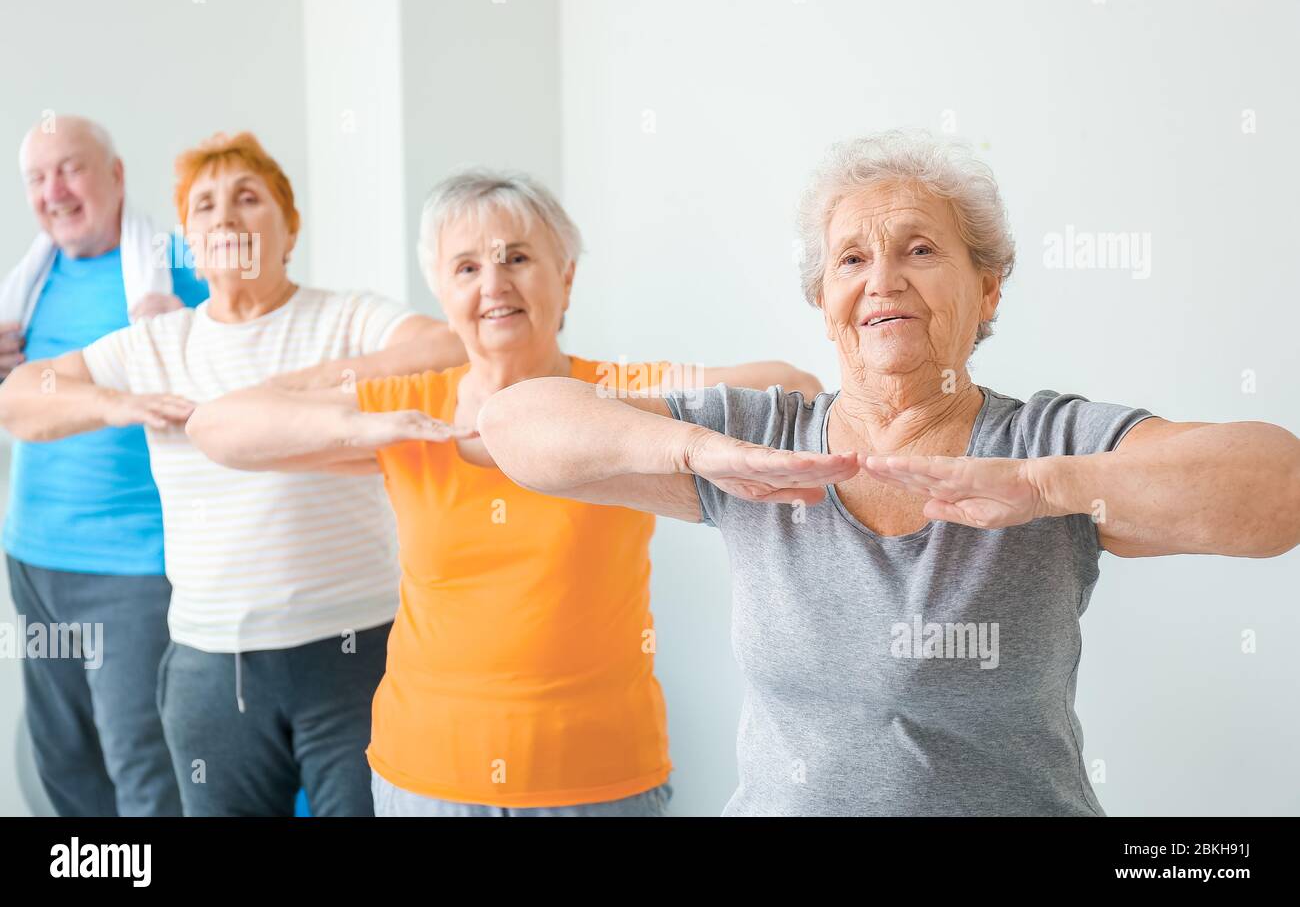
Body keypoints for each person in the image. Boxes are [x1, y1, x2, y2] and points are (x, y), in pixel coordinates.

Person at [476, 130, 1300, 816]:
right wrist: (695, 449)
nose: (882, 281)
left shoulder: (1050, 439)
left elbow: (1279, 490)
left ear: (987, 291)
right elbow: (515, 424)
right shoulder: (762, 439)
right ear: (825, 302)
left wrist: (1050, 487)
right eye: (851, 260)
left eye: (918, 250)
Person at [186, 168, 823, 816]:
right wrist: (369, 419)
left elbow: (793, 384)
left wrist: (590, 419)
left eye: (517, 258)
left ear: (566, 276)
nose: (494, 285)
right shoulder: (410, 408)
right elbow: (216, 427)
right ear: (441, 289)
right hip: (427, 775)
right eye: (465, 268)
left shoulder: (622, 389)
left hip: (599, 776)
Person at [0, 131, 466, 815]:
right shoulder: (159, 343)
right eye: (206, 206)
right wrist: (117, 401)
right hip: (212, 667)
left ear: (288, 228)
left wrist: (301, 387)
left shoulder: (345, 318)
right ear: (189, 236)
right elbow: (19, 398)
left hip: (356, 653)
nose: (225, 216)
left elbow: (450, 346)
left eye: (248, 198)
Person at [1, 115, 208, 816]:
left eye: (71, 169)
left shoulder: (177, 273)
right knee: (64, 757)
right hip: (33, 561)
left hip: (134, 568)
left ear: (116, 176)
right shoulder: (25, 288)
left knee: (141, 758)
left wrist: (181, 334)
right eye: (37, 177)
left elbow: (235, 385)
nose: (54, 191)